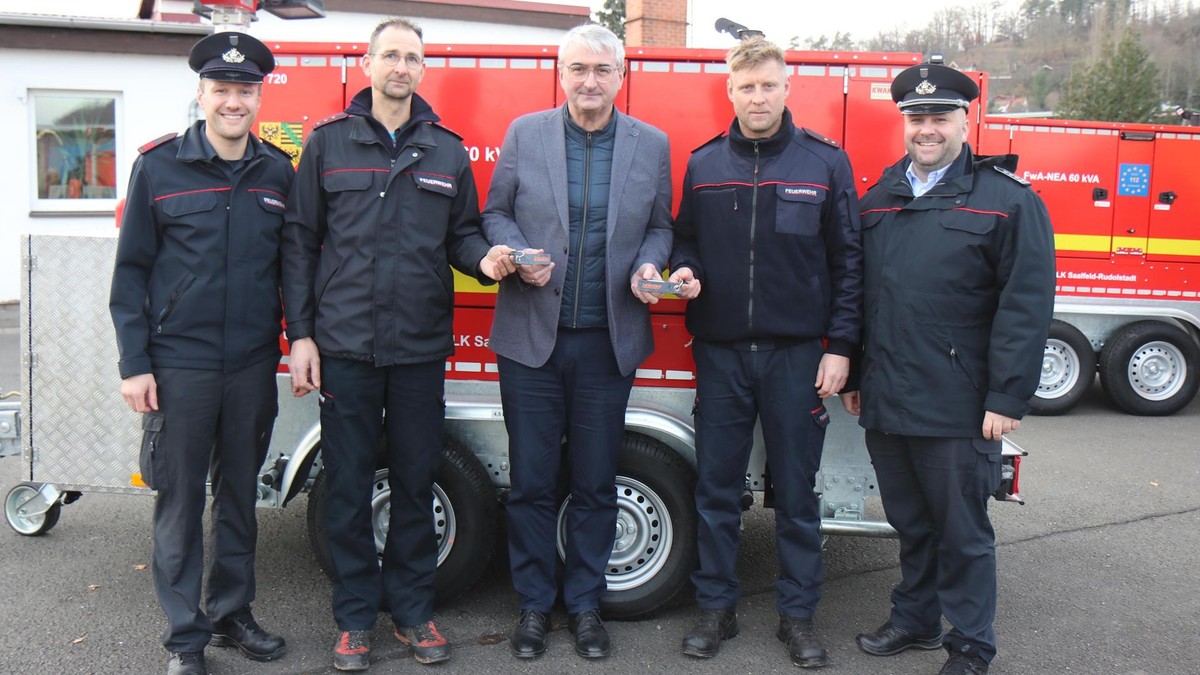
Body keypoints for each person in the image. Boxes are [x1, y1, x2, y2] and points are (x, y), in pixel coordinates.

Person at [281, 17, 511, 673]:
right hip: (345, 348)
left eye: (412, 57)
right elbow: (298, 241)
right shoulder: (327, 143)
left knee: (415, 483)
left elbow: (462, 235)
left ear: (422, 68)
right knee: (348, 488)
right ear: (368, 64)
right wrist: (301, 335)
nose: (401, 67)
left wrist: (485, 259)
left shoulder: (445, 151)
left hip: (417, 349)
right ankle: (355, 620)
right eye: (390, 55)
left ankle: (412, 612)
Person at [841, 61, 1055, 675]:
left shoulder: (1009, 202)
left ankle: (971, 646)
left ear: (966, 120)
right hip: (888, 395)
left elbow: (1025, 305)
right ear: (903, 123)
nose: (927, 129)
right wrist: (856, 373)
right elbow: (861, 295)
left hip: (959, 402)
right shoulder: (879, 200)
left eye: (940, 117)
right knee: (910, 522)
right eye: (916, 118)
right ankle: (916, 620)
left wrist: (1007, 396)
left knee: (962, 531)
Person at [667, 36, 862, 669]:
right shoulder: (704, 164)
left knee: (797, 496)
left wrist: (841, 347)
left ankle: (798, 616)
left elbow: (849, 262)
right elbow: (684, 241)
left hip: (797, 356)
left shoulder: (824, 163)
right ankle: (715, 609)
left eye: (768, 86)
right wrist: (685, 270)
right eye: (747, 87)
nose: (758, 97)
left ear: (786, 88)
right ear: (730, 90)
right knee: (717, 492)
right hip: (721, 353)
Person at [481, 23, 673, 662]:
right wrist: (515, 253)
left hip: (606, 344)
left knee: (595, 482)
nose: (590, 81)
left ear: (621, 76)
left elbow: (660, 227)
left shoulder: (651, 144)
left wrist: (648, 265)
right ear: (561, 74)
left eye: (602, 70)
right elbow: (494, 213)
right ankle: (535, 605)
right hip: (530, 340)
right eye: (578, 69)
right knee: (532, 483)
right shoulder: (524, 133)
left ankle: (586, 605)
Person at [109, 31, 293, 675]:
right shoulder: (158, 167)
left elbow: (292, 266)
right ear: (202, 94)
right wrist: (135, 363)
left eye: (245, 90)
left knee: (239, 497)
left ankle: (232, 613)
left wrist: (299, 337)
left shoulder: (277, 172)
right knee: (181, 502)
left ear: (259, 97)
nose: (233, 102)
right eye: (222, 90)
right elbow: (131, 274)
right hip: (179, 366)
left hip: (250, 364)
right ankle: (186, 639)